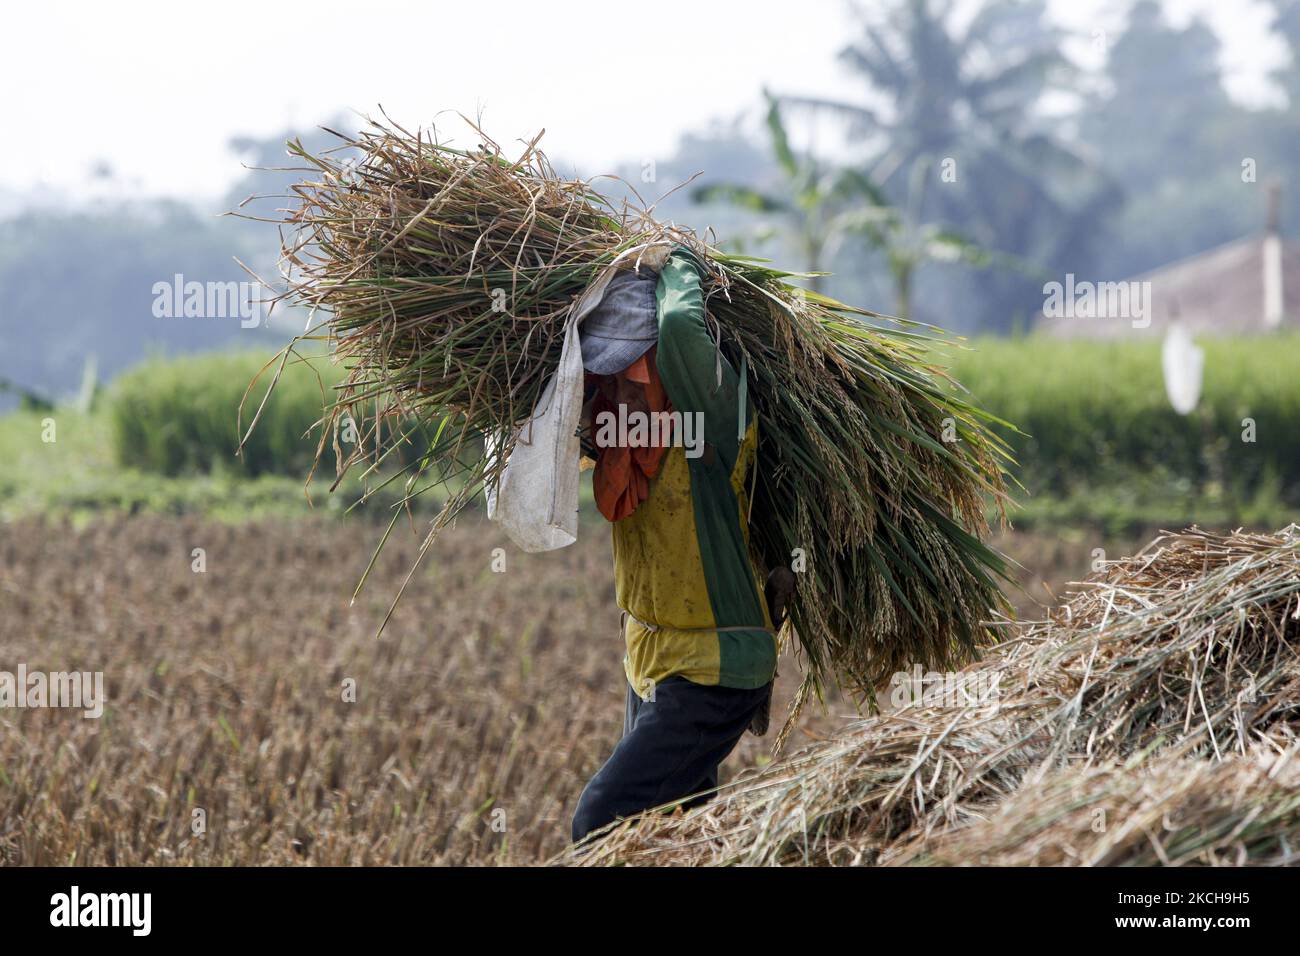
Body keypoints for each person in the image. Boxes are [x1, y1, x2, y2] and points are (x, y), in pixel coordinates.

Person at [570, 245, 792, 844]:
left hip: (711, 669)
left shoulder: (712, 414)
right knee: (679, 837)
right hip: (649, 659)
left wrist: (679, 256)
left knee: (597, 823)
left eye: (633, 368)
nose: (621, 385)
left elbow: (675, 322)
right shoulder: (615, 428)